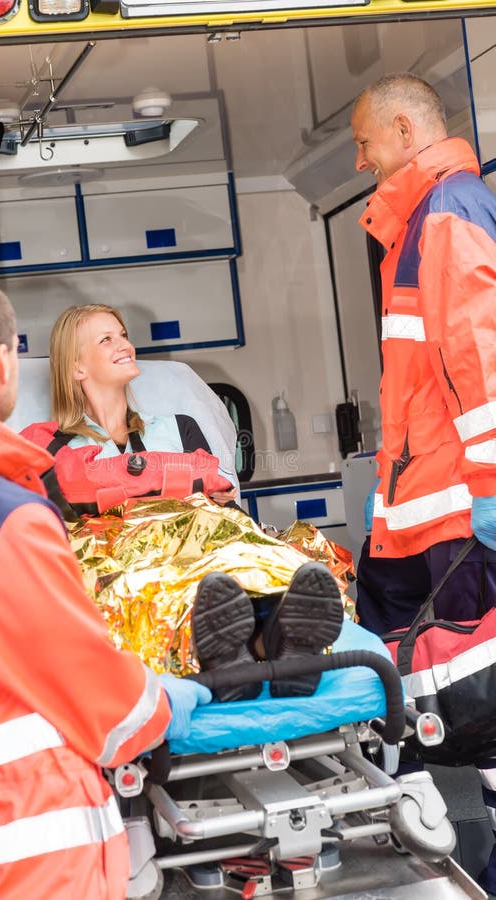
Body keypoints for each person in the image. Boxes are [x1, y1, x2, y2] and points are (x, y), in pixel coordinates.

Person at [0, 274, 211, 900]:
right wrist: (175, 701)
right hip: (15, 865)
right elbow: (111, 710)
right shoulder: (1, 516)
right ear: (3, 364)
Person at [351, 72, 496, 893]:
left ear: (405, 130)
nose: (363, 159)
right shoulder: (420, 219)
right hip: (427, 508)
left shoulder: (444, 213)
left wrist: (488, 496)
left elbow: (478, 361)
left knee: (470, 701)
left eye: (367, 143)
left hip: (456, 507)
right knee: (426, 688)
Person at [21, 303, 238, 514]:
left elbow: (223, 513)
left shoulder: (181, 428)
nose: (126, 346)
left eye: (123, 335)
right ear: (77, 368)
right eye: (106, 339)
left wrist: (221, 499)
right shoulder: (58, 451)